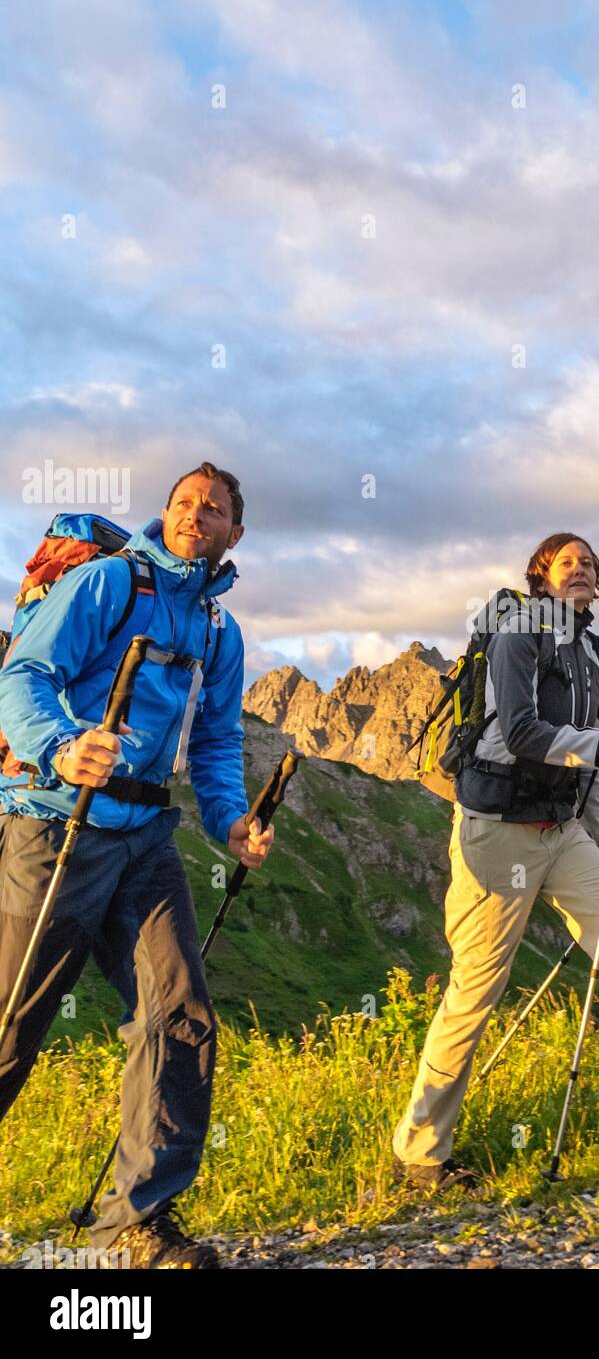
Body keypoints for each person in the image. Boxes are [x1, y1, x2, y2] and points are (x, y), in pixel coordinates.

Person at [0, 462, 273, 1269]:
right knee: (13, 1021)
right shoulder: (111, 586)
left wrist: (231, 821)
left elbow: (217, 743)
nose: (196, 515)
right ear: (166, 513)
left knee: (178, 1014)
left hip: (146, 834)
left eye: (213, 508)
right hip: (55, 825)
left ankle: (135, 1224)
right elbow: (23, 674)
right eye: (184, 503)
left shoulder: (219, 632)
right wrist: (62, 744)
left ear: (235, 531)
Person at [393, 533, 599, 1189]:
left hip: (563, 830)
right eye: (569, 562)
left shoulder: (594, 653)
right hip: (496, 831)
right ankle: (420, 1153)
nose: (582, 571)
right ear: (542, 577)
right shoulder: (519, 634)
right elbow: (520, 734)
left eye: (592, 565)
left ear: (598, 586)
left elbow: (591, 764)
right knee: (478, 987)